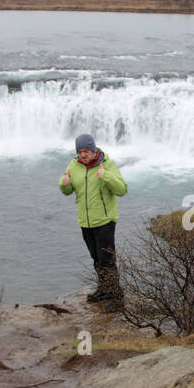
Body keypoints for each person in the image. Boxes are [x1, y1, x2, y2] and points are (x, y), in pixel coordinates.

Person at [59, 133, 128, 312]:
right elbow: (67, 190)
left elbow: (122, 190)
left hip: (104, 221)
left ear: (94, 150)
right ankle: (104, 290)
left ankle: (116, 297)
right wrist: (64, 184)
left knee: (107, 260)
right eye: (80, 151)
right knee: (96, 259)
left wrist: (105, 176)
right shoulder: (74, 166)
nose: (83, 155)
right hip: (85, 221)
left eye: (86, 151)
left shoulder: (108, 165)